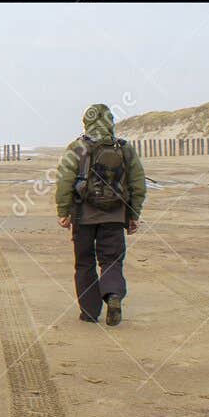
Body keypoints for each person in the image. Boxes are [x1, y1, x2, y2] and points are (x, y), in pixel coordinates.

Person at [55, 102, 147, 327]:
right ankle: (113, 295)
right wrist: (133, 214)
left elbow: (64, 181)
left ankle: (89, 311)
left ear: (86, 122)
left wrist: (63, 211)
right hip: (115, 215)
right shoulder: (124, 148)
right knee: (112, 259)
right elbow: (137, 183)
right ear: (110, 122)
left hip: (83, 216)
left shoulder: (76, 148)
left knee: (84, 262)